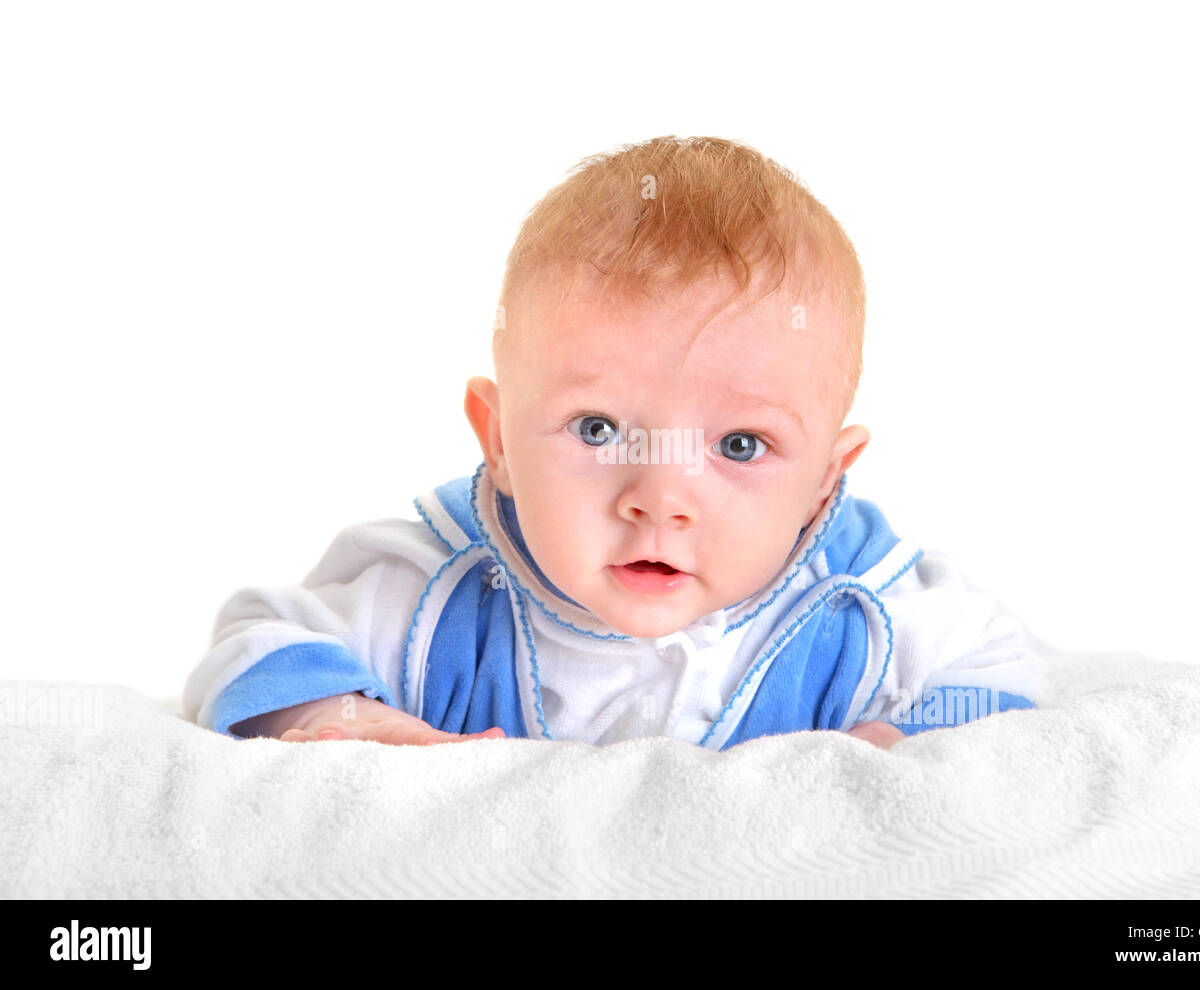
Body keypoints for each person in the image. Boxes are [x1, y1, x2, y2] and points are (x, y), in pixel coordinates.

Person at [182, 136, 1047, 752]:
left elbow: (1004, 669)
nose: (661, 497)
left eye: (741, 446)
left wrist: (900, 741)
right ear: (501, 443)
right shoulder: (438, 592)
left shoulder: (856, 606)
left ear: (825, 485)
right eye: (598, 430)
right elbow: (251, 643)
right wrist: (335, 714)